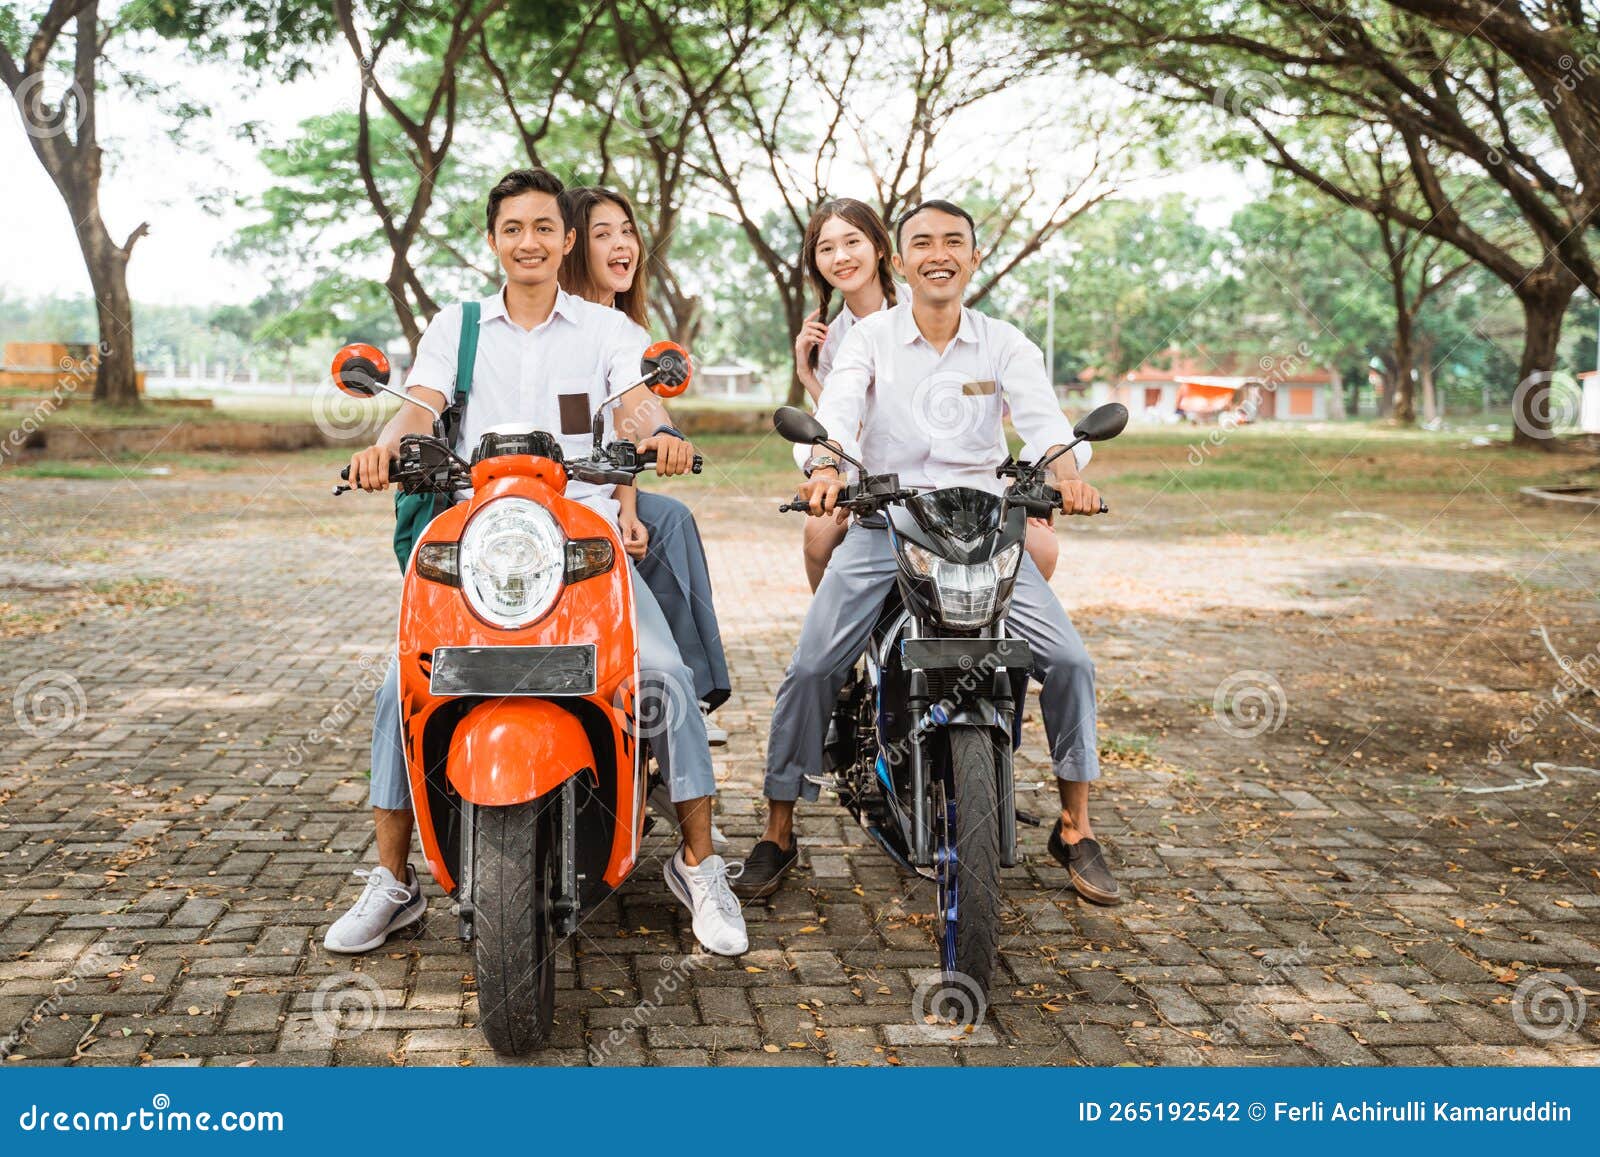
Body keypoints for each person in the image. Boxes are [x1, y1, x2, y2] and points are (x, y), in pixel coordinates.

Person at [325, 168, 746, 957]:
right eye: (513, 228)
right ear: (494, 240)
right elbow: (417, 410)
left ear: (566, 239)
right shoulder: (459, 327)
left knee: (661, 674)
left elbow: (636, 403)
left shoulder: (605, 332)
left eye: (545, 228)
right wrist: (382, 453)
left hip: (583, 548)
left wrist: (659, 432)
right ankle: (392, 878)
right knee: (399, 687)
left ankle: (700, 862)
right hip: (480, 546)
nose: (529, 241)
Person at [734, 198, 1120, 907]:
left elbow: (1044, 423)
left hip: (983, 531)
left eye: (954, 242)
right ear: (901, 260)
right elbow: (841, 409)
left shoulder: (1005, 343)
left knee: (1069, 659)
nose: (938, 253)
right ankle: (778, 827)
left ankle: (1076, 824)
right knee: (813, 663)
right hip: (889, 524)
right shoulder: (869, 339)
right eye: (923, 242)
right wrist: (827, 467)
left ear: (975, 259)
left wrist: (1068, 477)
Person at [793, 199, 1059, 592]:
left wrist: (1049, 476)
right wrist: (808, 377)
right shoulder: (834, 338)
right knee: (819, 534)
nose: (842, 257)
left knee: (1041, 547)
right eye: (826, 248)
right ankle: (844, 636)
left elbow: (984, 384)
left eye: (853, 242)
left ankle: (1003, 629)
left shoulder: (929, 293)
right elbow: (838, 415)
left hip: (969, 474)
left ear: (883, 250)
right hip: (877, 474)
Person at [557, 185, 730, 744]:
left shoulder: (626, 332)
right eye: (602, 234)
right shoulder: (549, 327)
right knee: (669, 522)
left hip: (599, 491)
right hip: (538, 496)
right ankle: (681, 685)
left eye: (627, 231)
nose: (622, 244)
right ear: (572, 245)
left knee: (666, 519)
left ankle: (686, 694)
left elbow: (631, 419)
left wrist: (660, 438)